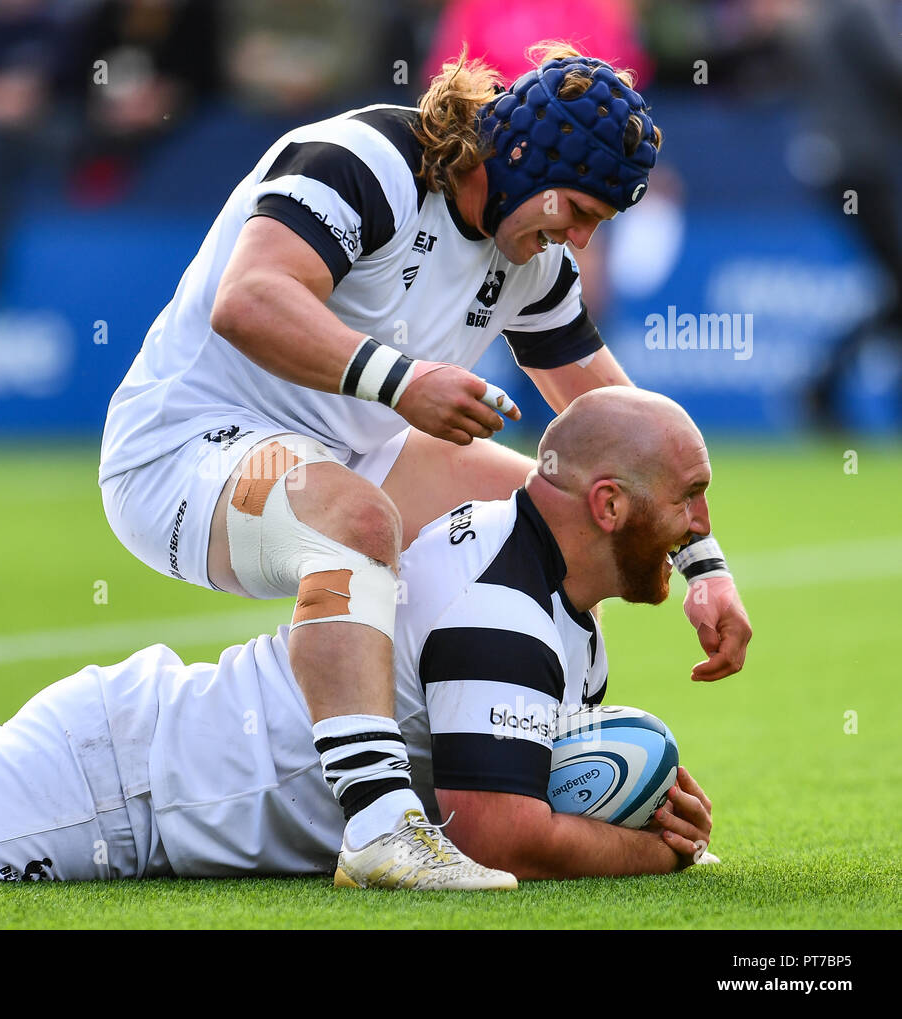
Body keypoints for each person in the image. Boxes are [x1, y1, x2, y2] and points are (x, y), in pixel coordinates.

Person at [0, 389, 717, 886]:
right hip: (133, 786)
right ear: (609, 506)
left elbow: (516, 781)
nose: (705, 530)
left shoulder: (535, 580)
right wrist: (651, 849)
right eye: (692, 499)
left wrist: (634, 793)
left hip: (157, 755)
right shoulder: (504, 606)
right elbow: (503, 833)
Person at [97, 42, 751, 885]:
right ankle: (379, 828)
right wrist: (402, 382)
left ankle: (543, 777)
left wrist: (703, 561)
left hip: (341, 451)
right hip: (182, 451)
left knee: (563, 516)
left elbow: (626, 432)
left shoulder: (533, 259)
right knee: (355, 523)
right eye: (579, 210)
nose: (582, 239)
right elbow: (248, 299)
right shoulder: (364, 161)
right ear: (524, 158)